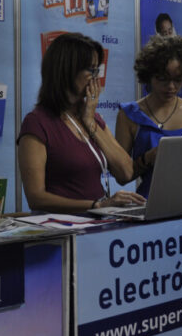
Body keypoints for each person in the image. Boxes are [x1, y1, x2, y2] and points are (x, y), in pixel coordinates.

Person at [17, 32, 146, 212]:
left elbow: (126, 172)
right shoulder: (37, 123)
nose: (96, 78)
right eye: (91, 70)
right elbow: (36, 198)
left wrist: (90, 121)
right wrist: (97, 205)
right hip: (64, 229)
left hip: (96, 224)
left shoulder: (92, 117)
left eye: (97, 71)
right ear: (67, 70)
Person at [115, 35, 182, 198]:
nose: (171, 87)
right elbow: (121, 177)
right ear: (148, 76)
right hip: (149, 205)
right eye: (163, 79)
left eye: (178, 80)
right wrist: (149, 158)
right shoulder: (129, 116)